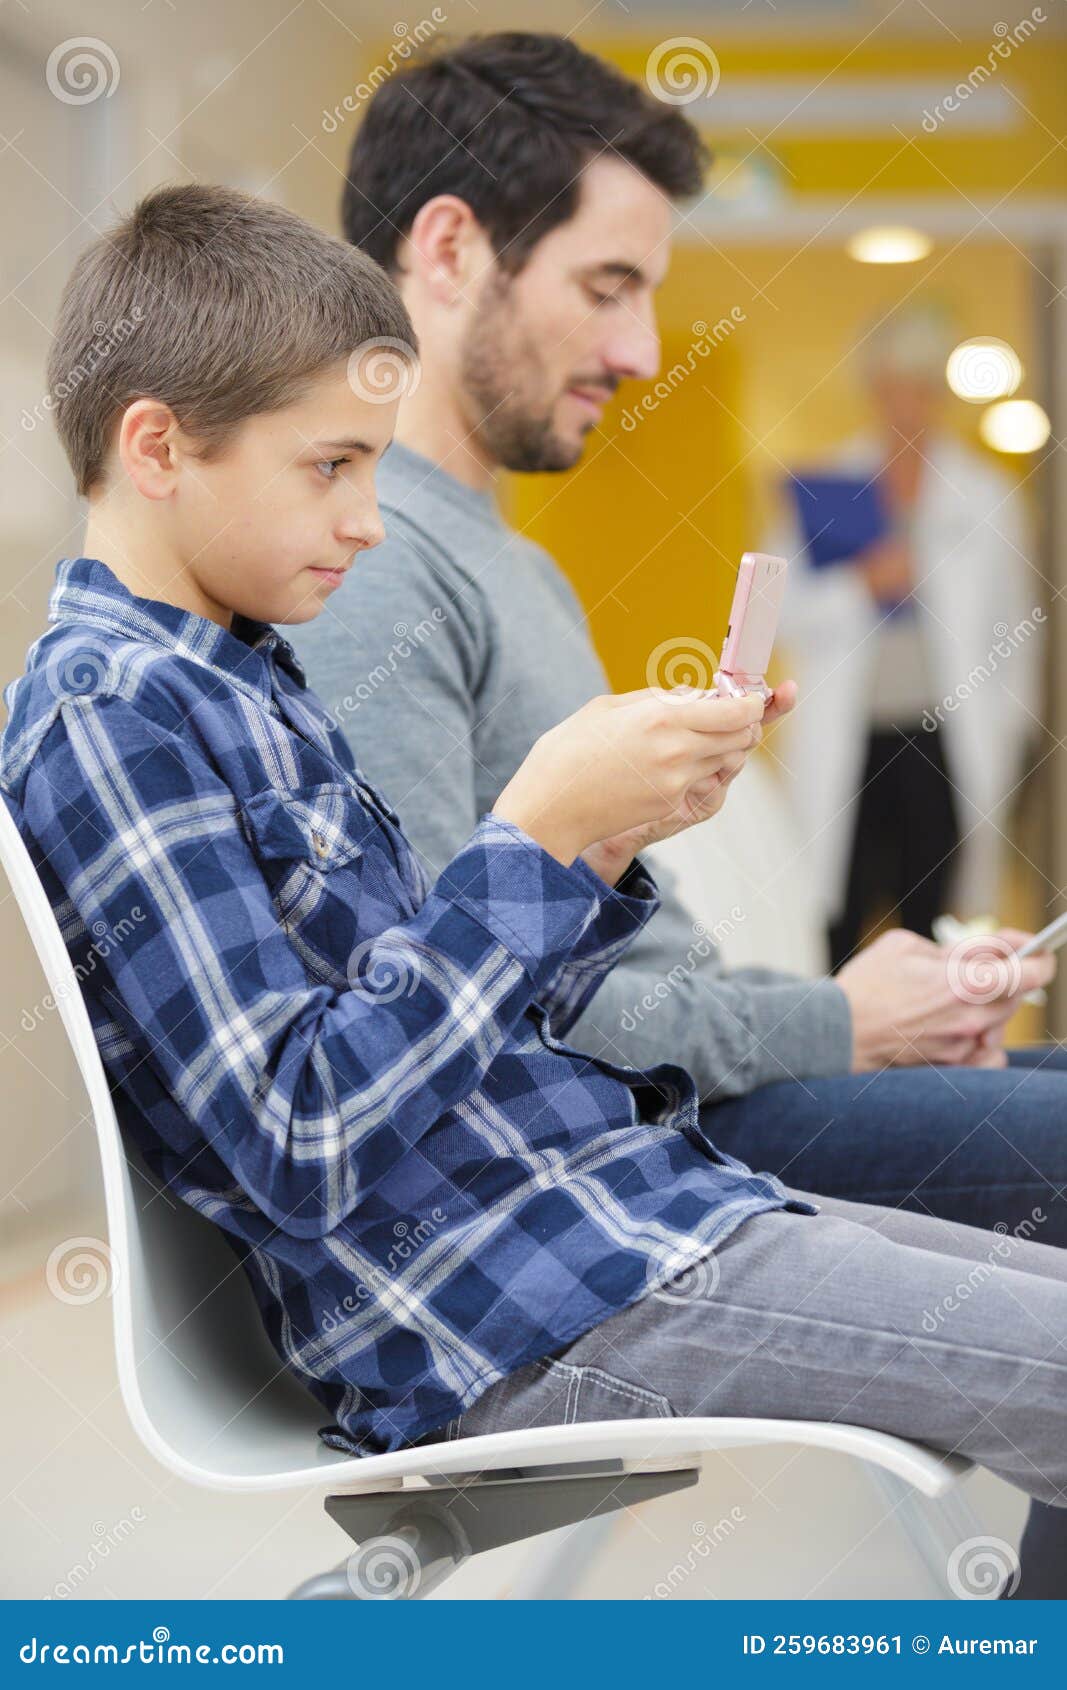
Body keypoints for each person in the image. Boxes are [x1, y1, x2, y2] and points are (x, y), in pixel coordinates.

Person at [6, 182, 1067, 1603]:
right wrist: (530, 836)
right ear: (157, 446)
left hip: (610, 1210)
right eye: (330, 466)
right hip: (518, 1296)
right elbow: (300, 1131)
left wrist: (604, 837)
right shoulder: (105, 716)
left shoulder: (240, 675)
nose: (369, 520)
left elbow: (450, 1004)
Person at [283, 32, 1067, 1592]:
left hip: (664, 1114)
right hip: (632, 1151)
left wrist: (850, 1013)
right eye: (605, 284)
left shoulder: (496, 558)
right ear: (448, 251)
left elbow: (610, 963)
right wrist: (834, 1022)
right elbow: (480, 1022)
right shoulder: (370, 574)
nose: (643, 347)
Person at [770, 301, 1040, 971]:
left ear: (938, 397)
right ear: (871, 391)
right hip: (851, 739)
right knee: (838, 915)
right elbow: (779, 615)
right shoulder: (828, 489)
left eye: (918, 390)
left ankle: (931, 1070)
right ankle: (835, 1063)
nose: (904, 407)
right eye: (889, 388)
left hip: (942, 739)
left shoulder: (985, 496)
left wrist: (1008, 731)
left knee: (934, 921)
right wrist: (860, 585)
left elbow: (1017, 632)